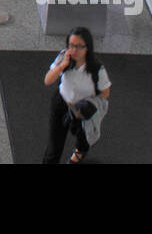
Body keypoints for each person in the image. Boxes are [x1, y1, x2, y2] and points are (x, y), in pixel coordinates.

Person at [41, 26, 111, 163]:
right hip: (61, 102)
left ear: (87, 48)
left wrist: (89, 104)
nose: (74, 50)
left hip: (82, 108)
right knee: (54, 145)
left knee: (83, 136)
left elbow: (105, 92)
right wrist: (62, 66)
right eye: (71, 45)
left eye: (79, 47)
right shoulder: (63, 56)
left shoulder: (97, 69)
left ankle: (80, 152)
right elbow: (47, 80)